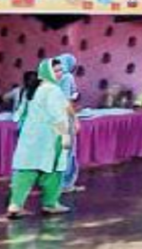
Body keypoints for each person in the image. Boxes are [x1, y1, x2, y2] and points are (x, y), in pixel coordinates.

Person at [7, 59, 73, 219]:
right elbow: (57, 116)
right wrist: (64, 135)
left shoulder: (32, 88)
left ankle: (15, 204)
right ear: (46, 72)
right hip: (50, 137)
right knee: (53, 170)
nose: (59, 74)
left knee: (26, 169)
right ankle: (51, 203)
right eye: (56, 70)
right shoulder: (52, 90)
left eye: (61, 71)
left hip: (30, 136)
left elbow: (18, 115)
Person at [56, 54, 81, 194]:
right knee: (68, 151)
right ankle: (65, 184)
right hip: (64, 118)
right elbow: (66, 101)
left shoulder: (52, 77)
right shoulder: (67, 77)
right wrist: (75, 119)